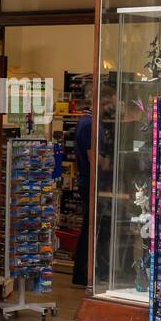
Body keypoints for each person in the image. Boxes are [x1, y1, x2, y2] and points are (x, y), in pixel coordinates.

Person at [72, 104, 93, 288]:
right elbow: (92, 157)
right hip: (89, 182)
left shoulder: (83, 122)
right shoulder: (88, 124)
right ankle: (80, 273)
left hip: (85, 181)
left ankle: (81, 273)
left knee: (88, 226)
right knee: (89, 227)